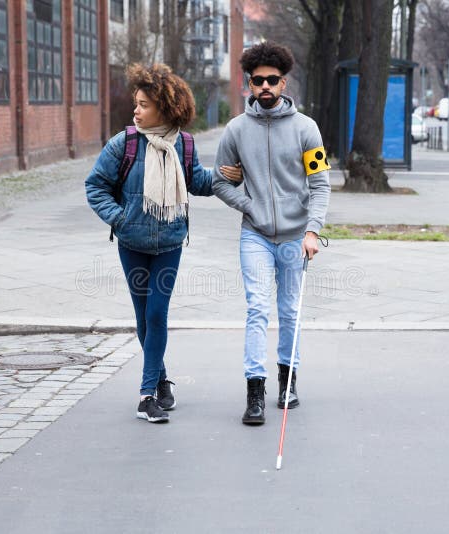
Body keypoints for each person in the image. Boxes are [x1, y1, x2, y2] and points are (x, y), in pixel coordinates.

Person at [86, 63, 243, 424]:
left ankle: (146, 396)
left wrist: (225, 176)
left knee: (157, 314)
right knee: (144, 318)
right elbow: (95, 186)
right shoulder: (123, 144)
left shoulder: (182, 145)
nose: (136, 110)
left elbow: (197, 182)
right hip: (132, 243)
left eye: (143, 104)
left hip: (169, 244)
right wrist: (120, 217)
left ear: (164, 108)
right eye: (136, 103)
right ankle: (160, 380)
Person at [211, 41, 331, 425]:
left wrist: (313, 231)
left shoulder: (306, 128)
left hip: (297, 236)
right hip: (256, 235)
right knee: (258, 308)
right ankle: (255, 392)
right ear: (249, 83)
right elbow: (219, 181)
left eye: (272, 80)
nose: (265, 86)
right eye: (257, 80)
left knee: (290, 311)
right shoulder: (235, 130)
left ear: (284, 83)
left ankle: (288, 382)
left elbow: (321, 185)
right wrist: (248, 205)